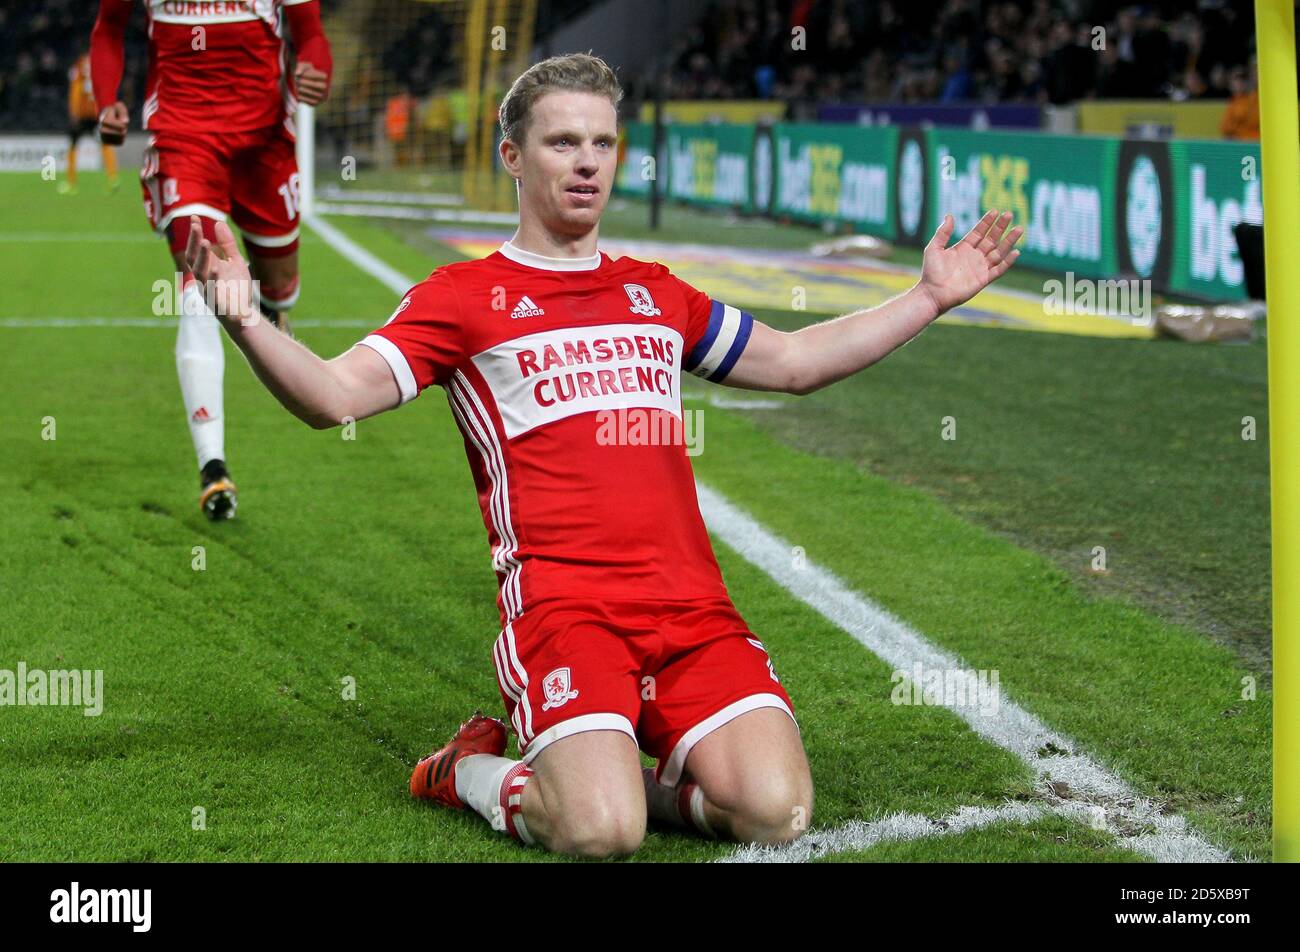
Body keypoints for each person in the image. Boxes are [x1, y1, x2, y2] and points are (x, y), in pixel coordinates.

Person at [184, 53, 1023, 857]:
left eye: (602, 143)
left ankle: (618, 771)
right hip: (566, 612)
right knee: (599, 834)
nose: (587, 164)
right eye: (562, 143)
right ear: (512, 156)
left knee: (778, 811)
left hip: (690, 610)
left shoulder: (656, 293)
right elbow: (333, 397)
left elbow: (796, 363)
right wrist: (245, 319)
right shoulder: (462, 300)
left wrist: (927, 298)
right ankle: (470, 768)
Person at [91, 0, 332, 520]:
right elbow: (108, 28)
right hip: (185, 139)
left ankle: (274, 318)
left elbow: (310, 34)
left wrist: (316, 72)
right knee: (200, 276)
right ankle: (213, 464)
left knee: (280, 289)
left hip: (265, 142)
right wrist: (106, 101)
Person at [59, 50, 119, 196]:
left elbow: (76, 90)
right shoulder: (101, 65)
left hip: (82, 114)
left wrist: (74, 112)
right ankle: (113, 179)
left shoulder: (79, 65)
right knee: (105, 144)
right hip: (97, 113)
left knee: (73, 145)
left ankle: (71, 183)